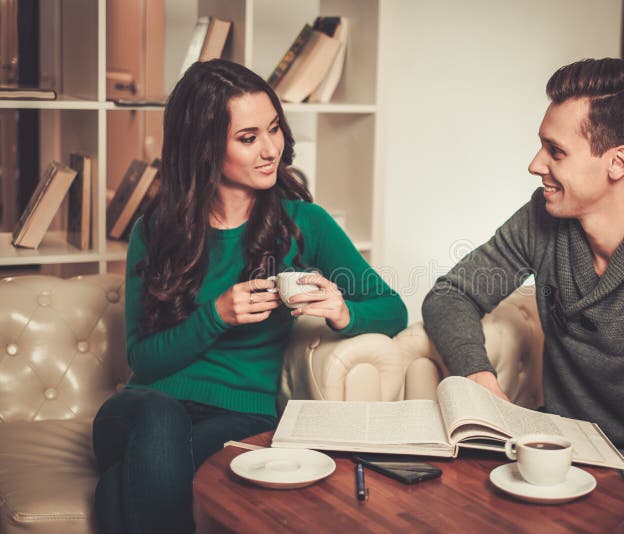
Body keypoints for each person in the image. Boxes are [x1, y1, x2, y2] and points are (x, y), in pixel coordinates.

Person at [422, 58, 624, 533]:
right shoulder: (542, 219)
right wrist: (478, 374)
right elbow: (450, 294)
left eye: (555, 151)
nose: (536, 165)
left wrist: (597, 478)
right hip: (559, 443)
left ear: (618, 162)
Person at [92, 59, 407, 534]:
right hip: (143, 407)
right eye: (248, 138)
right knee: (160, 419)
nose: (270, 150)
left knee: (121, 483)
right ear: (204, 148)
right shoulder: (155, 231)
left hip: (240, 414)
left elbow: (393, 309)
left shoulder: (306, 224)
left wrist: (342, 311)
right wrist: (215, 316)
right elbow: (144, 359)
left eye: (275, 129)